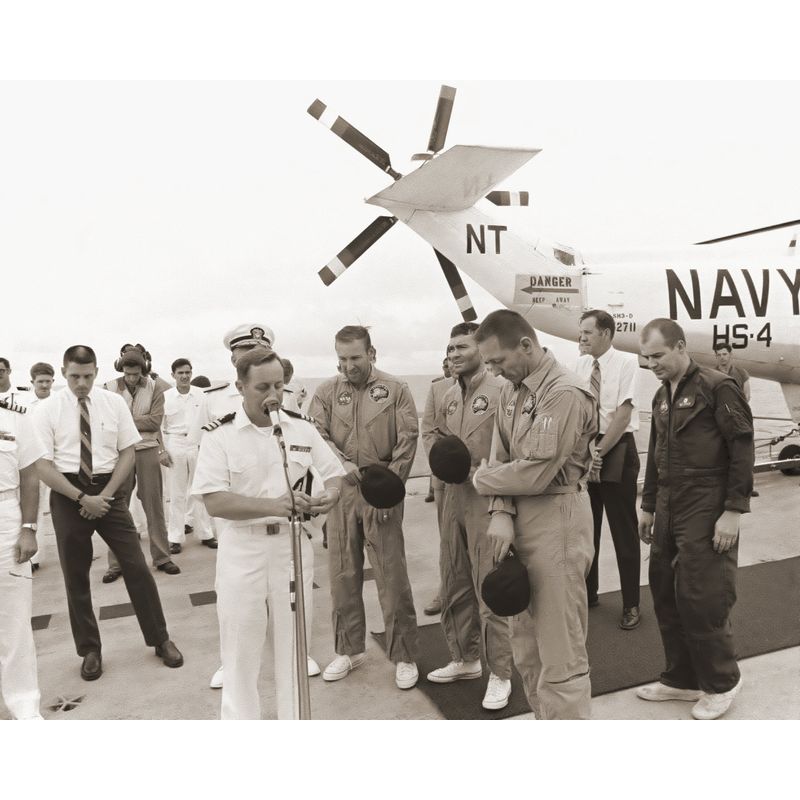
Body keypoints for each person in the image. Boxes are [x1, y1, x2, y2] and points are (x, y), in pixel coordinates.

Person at [192, 348, 345, 719]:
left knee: (294, 647)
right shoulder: (220, 436)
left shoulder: (301, 427)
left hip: (292, 548)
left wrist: (331, 495)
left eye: (279, 384)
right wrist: (274, 506)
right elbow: (214, 501)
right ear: (240, 386)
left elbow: (335, 472)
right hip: (243, 550)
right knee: (240, 649)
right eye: (262, 387)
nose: (273, 394)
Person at [472, 310, 597, 720]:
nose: (492, 370)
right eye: (487, 363)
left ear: (526, 345)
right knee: (525, 644)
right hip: (520, 517)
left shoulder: (565, 392)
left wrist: (482, 482)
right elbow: (502, 452)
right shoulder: (512, 388)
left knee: (559, 650)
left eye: (497, 361)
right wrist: (501, 512)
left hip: (557, 517)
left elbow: (537, 472)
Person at [33, 345, 183, 680]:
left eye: (87, 376)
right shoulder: (46, 410)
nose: (81, 384)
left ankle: (160, 639)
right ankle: (90, 649)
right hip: (67, 491)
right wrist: (81, 498)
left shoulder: (113, 404)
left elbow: (128, 452)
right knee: (75, 575)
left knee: (137, 567)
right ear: (63, 372)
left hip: (109, 490)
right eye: (74, 377)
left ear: (97, 372)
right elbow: (42, 465)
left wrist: (105, 495)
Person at [636, 319, 754, 720]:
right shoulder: (660, 396)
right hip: (669, 503)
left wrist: (733, 511)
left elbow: (742, 447)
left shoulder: (717, 386)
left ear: (681, 346)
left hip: (707, 502)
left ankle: (723, 681)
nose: (651, 364)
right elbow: (655, 454)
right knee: (665, 592)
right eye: (646, 357)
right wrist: (648, 505)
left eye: (658, 355)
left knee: (702, 596)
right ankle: (682, 678)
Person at [309, 325, 420, 690]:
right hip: (341, 492)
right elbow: (317, 435)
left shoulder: (397, 390)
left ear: (372, 354)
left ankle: (404, 655)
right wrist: (342, 466)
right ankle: (349, 649)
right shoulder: (326, 392)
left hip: (381, 490)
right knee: (342, 574)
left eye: (355, 357)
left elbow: (408, 441)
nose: (348, 366)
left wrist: (390, 490)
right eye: (342, 359)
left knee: (391, 576)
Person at [426, 322, 514, 710]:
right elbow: (435, 435)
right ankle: (465, 658)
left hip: (485, 496)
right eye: (449, 348)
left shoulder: (502, 391)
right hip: (451, 498)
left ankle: (500, 672)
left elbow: (512, 447)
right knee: (455, 578)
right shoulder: (447, 395)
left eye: (461, 346)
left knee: (488, 585)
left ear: (480, 347)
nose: (453, 354)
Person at [575, 310, 642, 629]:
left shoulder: (627, 362)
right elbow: (580, 410)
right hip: (589, 446)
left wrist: (599, 451)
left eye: (588, 332)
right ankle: (589, 593)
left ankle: (631, 604)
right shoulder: (581, 364)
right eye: (581, 332)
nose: (582, 337)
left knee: (623, 531)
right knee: (588, 529)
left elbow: (624, 413)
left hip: (618, 447)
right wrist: (589, 449)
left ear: (605, 333)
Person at [102, 350, 178, 582]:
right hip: (120, 452)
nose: (131, 379)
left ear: (143, 370)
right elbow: (106, 422)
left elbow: (156, 421)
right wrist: (136, 422)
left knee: (154, 504)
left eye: (135, 374)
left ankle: (162, 558)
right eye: (127, 374)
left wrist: (123, 421)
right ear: (121, 370)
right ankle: (116, 564)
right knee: (117, 507)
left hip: (147, 450)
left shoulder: (156, 387)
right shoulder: (108, 387)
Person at [0, 393, 44, 719]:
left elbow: (30, 474)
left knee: (14, 618)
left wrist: (29, 527)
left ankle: (24, 705)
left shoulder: (15, 416)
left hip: (5, 517)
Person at [162, 358, 216, 553]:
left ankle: (206, 533)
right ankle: (175, 537)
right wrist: (162, 450)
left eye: (187, 372)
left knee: (200, 489)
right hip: (174, 442)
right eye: (180, 373)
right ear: (173, 375)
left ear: (191, 373)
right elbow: (160, 427)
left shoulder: (202, 395)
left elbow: (211, 420)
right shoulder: (166, 396)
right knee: (176, 493)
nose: (184, 376)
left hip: (197, 443)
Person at [420, 355, 455, 615]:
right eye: (450, 351)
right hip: (445, 476)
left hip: (482, 475)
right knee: (447, 538)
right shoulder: (437, 388)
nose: (455, 357)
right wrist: (442, 464)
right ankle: (447, 589)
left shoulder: (498, 385)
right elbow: (428, 431)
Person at [27, 363, 56, 571]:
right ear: (32, 382)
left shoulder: (61, 402)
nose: (45, 385)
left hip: (58, 461)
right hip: (35, 461)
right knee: (34, 508)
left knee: (65, 507)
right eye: (40, 382)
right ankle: (34, 559)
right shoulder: (25, 405)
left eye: (48, 381)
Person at [424, 357, 453, 504]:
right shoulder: (437, 385)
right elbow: (428, 427)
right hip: (440, 446)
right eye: (445, 366)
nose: (448, 368)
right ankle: (431, 491)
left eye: (449, 365)